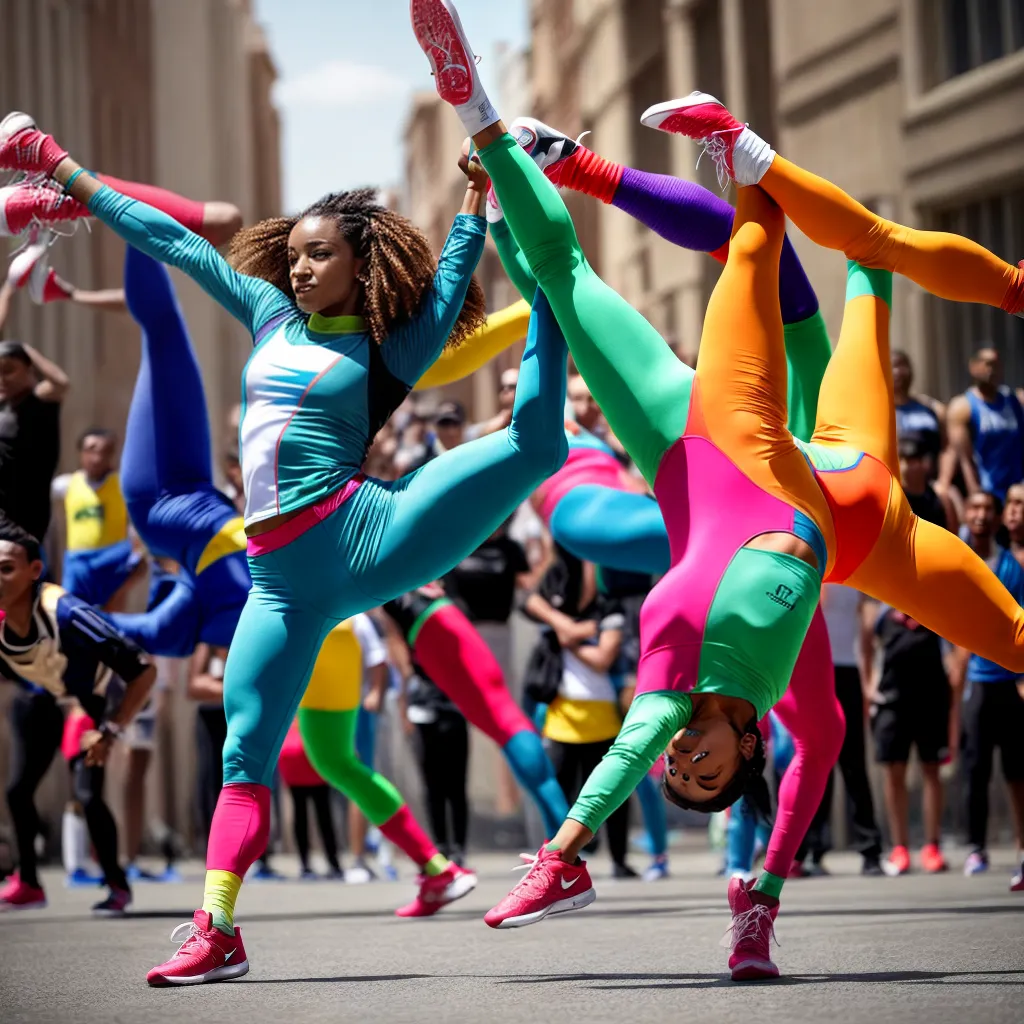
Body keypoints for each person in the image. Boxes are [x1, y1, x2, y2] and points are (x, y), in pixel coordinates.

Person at [412, 9, 1024, 977]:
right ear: (748, 743)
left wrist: (583, 858)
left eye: (678, 772)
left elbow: (644, 726)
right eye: (706, 771)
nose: (683, 760)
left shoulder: (672, 654)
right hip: (848, 489)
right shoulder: (789, 700)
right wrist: (759, 896)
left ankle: (483, 110)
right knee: (800, 244)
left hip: (693, 452)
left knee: (570, 282)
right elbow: (774, 752)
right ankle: (712, 166)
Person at [0, 101, 575, 980]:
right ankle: (217, 929)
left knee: (537, 443)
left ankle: (559, 293)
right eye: (297, 252)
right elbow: (176, 243)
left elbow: (457, 270)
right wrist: (62, 167)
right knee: (244, 751)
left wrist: (476, 196)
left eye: (321, 255)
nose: (301, 269)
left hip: (369, 535)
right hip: (276, 583)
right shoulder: (268, 311)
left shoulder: (391, 350)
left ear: (360, 263)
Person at [0, 517, 157, 914]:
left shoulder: (67, 613)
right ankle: (30, 884)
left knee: (86, 793)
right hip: (44, 695)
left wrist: (111, 728)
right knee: (18, 791)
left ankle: (117, 885)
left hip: (94, 700)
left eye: (6, 569)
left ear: (34, 571)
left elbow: (142, 670)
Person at [381, 583, 568, 839]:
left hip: (431, 623)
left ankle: (563, 841)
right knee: (509, 726)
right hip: (432, 622)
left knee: (508, 727)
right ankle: (562, 841)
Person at [861, 437, 955, 876]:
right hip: (892, 673)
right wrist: (867, 682)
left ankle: (931, 846)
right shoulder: (885, 504)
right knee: (893, 767)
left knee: (931, 765)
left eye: (919, 458)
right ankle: (900, 847)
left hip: (930, 663)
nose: (913, 466)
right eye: (907, 459)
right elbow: (866, 619)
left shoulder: (939, 503)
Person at [955, 491, 1024, 888]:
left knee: (1018, 774)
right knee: (975, 771)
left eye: (988, 510)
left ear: (998, 519)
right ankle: (976, 848)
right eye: (975, 508)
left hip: (1012, 685)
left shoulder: (1014, 567)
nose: (980, 516)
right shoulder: (957, 561)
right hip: (977, 684)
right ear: (966, 515)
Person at [0, 288, 69, 547]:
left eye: (9, 370)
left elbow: (60, 382)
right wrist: (7, 290)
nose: (3, 378)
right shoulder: (2, 404)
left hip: (24, 520)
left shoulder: (38, 402)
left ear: (28, 370)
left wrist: (24, 349)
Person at [52, 428, 143, 610]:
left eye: (104, 451)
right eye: (91, 450)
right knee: (71, 613)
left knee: (110, 620)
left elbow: (136, 526)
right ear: (81, 452)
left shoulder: (122, 485)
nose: (97, 458)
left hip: (111, 559)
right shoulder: (65, 485)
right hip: (78, 562)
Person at [947, 348, 1024, 502]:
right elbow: (965, 459)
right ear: (973, 367)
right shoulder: (963, 407)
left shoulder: (1015, 401)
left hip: (1017, 491)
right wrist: (976, 496)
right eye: (988, 364)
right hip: (988, 491)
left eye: (997, 365)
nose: (992, 370)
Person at [277, 719, 343, 879]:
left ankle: (305, 864)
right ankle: (333, 863)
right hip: (313, 753)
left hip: (292, 753)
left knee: (301, 813)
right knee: (323, 813)